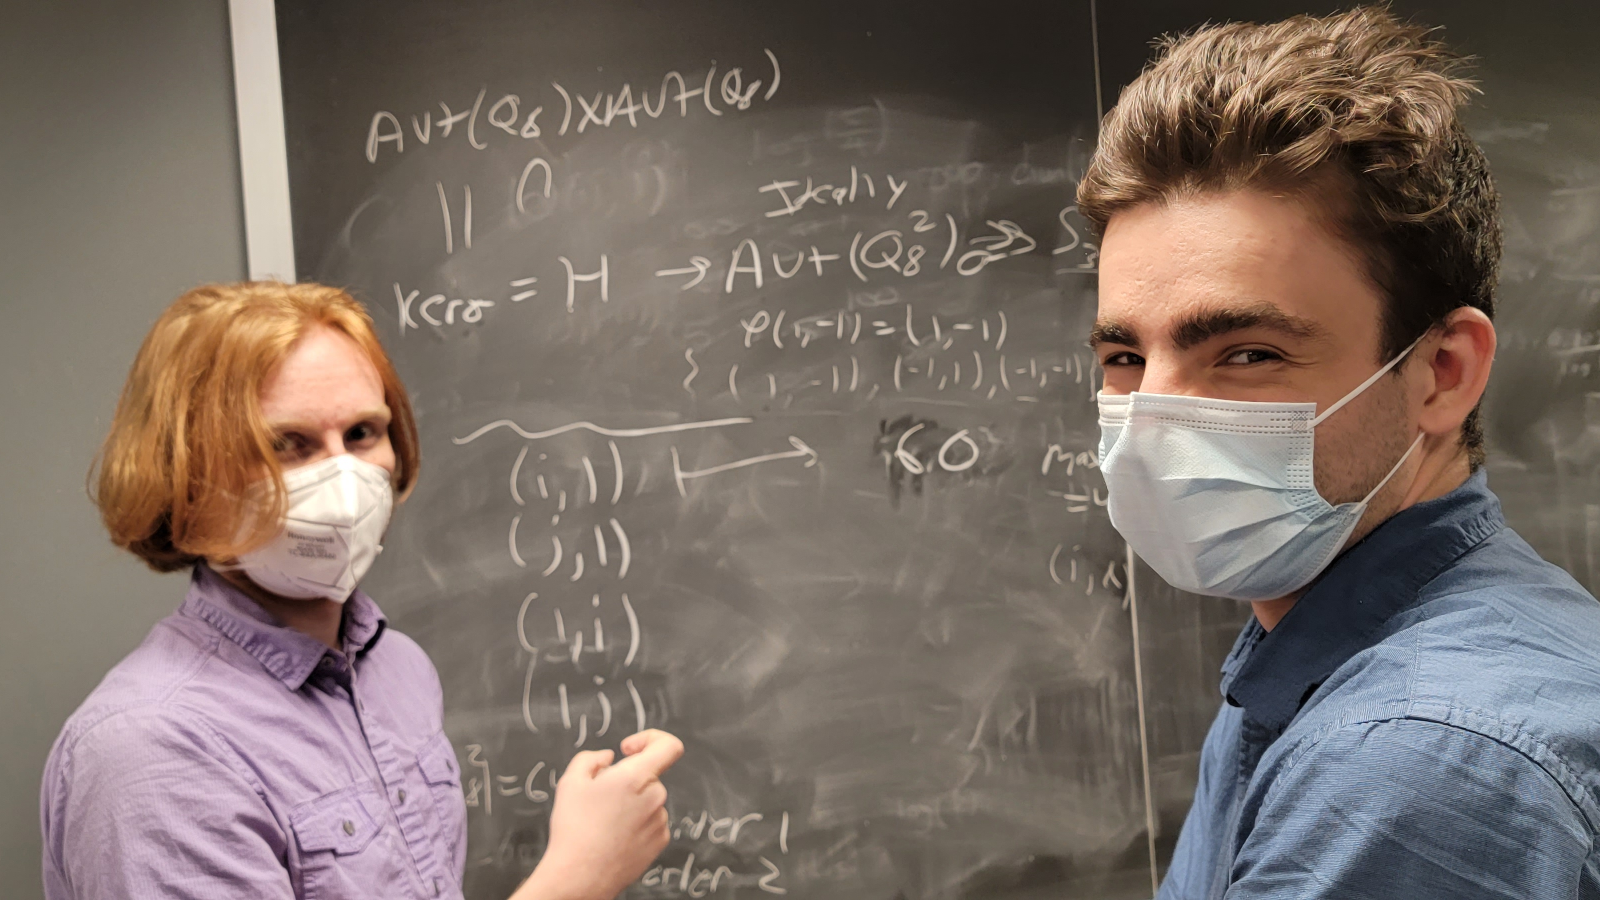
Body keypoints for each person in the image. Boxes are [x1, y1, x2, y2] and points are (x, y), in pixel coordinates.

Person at [1079, 7, 1600, 898]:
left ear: (1441, 371)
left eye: (1247, 354)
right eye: (1126, 358)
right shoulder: (1314, 645)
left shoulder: (1417, 761)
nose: (1153, 417)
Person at [41, 282, 682, 900]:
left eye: (361, 434)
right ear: (188, 475)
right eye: (286, 444)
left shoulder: (396, 670)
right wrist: (576, 878)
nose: (344, 481)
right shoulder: (153, 751)